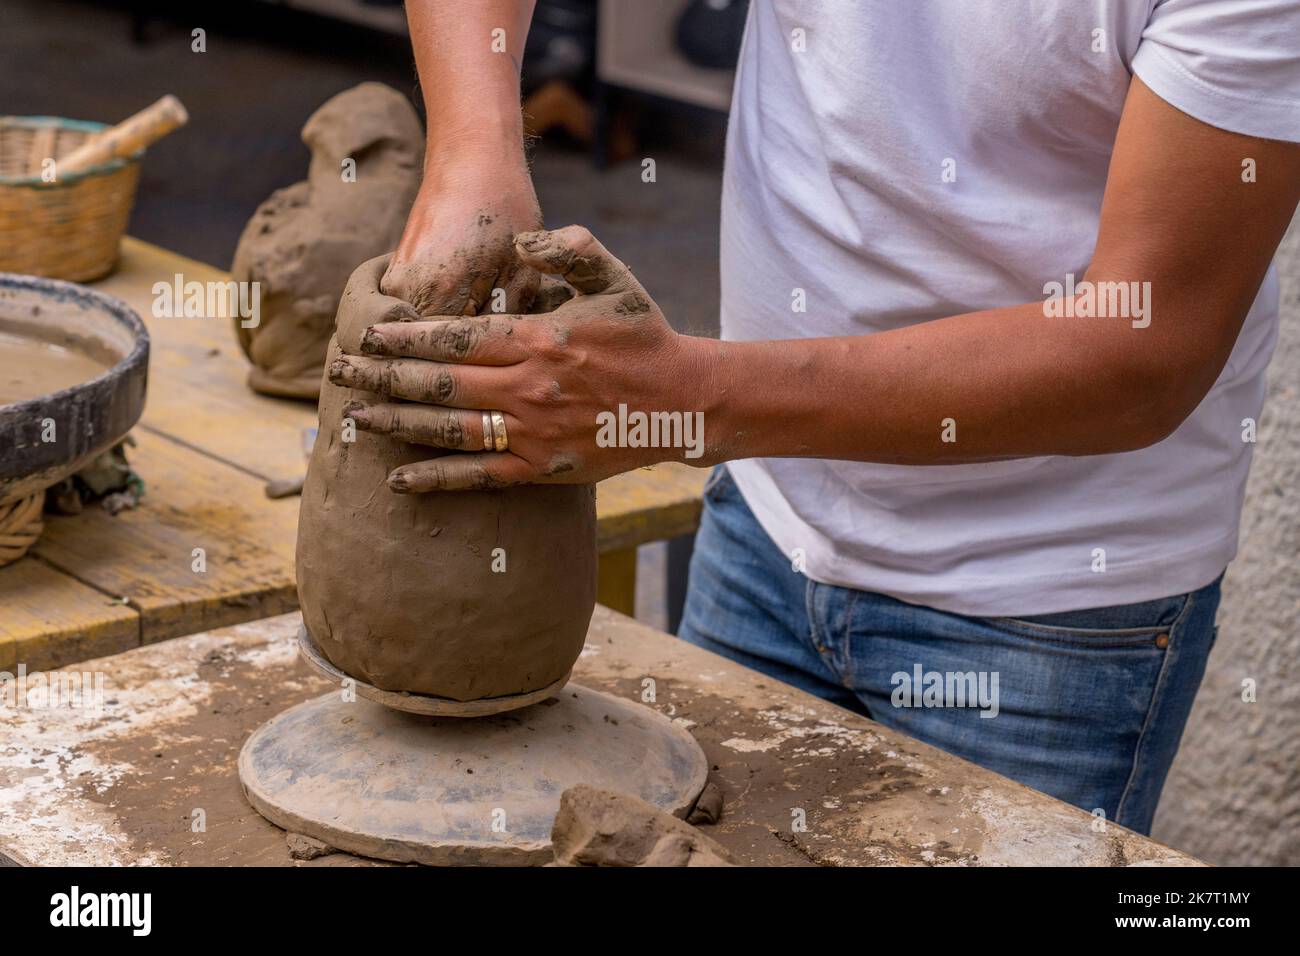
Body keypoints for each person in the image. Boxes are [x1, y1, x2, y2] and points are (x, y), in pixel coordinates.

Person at [329, 1, 1300, 835]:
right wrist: (472, 146)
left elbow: (1143, 348)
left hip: (1052, 603)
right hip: (767, 518)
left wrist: (682, 402)